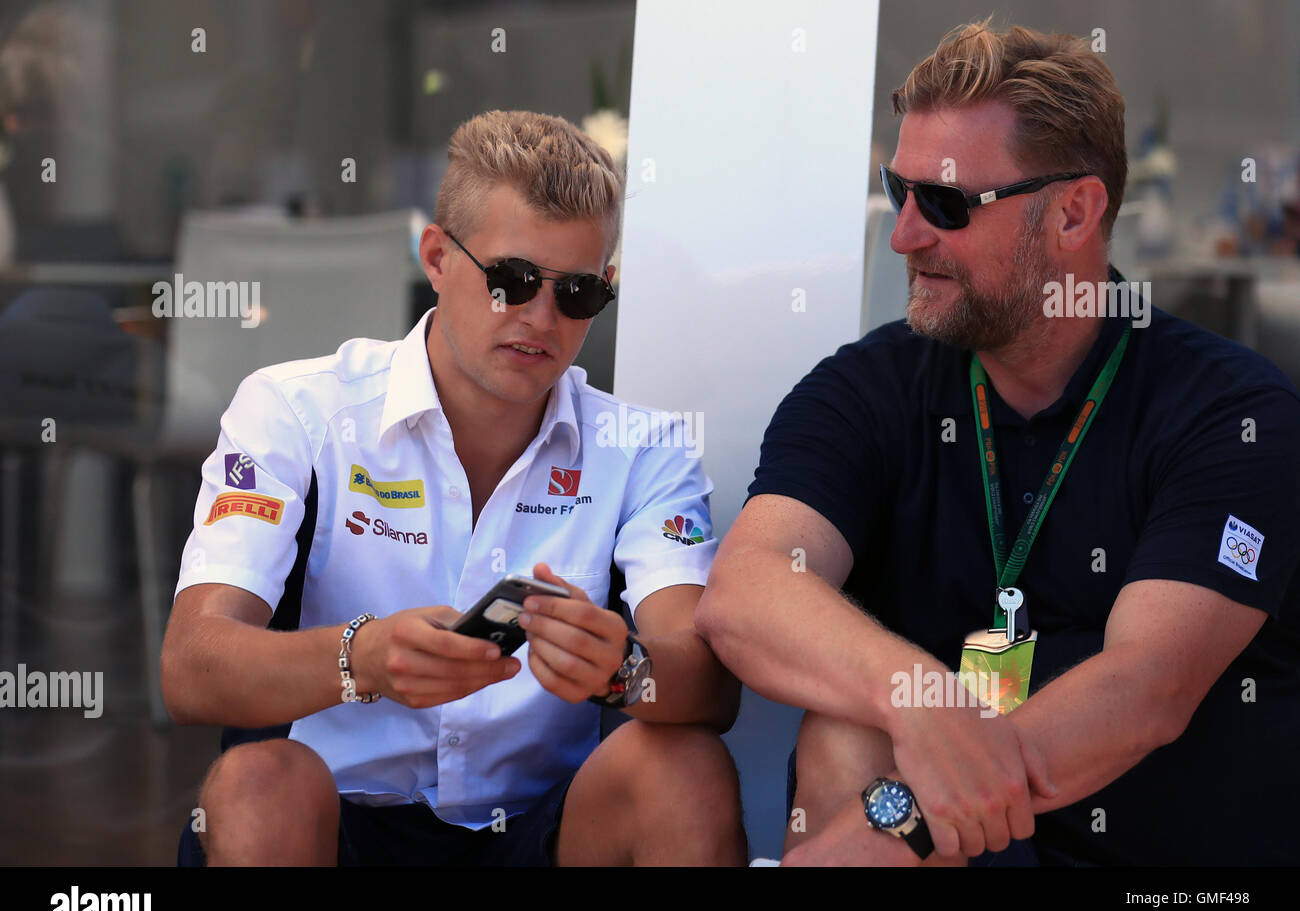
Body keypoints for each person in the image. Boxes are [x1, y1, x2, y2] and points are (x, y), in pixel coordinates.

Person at [695, 20, 1300, 866]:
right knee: (844, 735)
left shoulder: (1232, 410)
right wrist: (920, 699)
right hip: (954, 846)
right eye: (895, 190)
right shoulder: (866, 389)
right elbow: (746, 592)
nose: (905, 235)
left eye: (945, 203)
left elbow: (1144, 691)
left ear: (1074, 213)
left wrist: (899, 827)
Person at [164, 110, 745, 866]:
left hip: (543, 831)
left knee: (685, 770)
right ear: (436, 257)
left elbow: (709, 689)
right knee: (258, 781)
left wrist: (626, 668)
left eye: (576, 295)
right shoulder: (299, 410)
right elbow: (191, 666)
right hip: (335, 822)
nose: (540, 317)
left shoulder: (642, 447)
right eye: (510, 281)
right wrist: (360, 659)